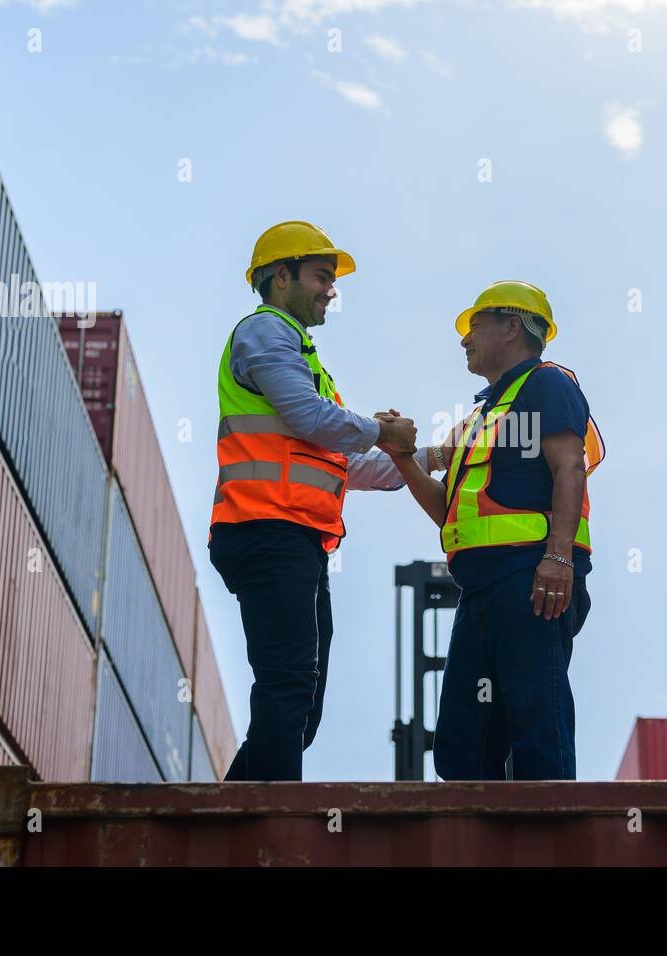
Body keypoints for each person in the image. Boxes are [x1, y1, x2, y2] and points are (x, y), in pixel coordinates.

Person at [208, 220, 443, 781]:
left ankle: (230, 816)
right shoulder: (266, 332)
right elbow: (315, 420)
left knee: (300, 706)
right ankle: (268, 827)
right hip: (265, 530)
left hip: (294, 539)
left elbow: (349, 463)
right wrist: (383, 432)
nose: (331, 290)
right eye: (321, 276)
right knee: (289, 684)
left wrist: (429, 456)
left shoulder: (304, 360)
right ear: (280, 276)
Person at [384, 280, 605, 780]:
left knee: (537, 723)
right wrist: (401, 459)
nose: (464, 339)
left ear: (511, 327)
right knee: (463, 745)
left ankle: (548, 844)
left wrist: (559, 557)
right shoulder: (481, 417)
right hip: (480, 589)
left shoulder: (549, 384)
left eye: (474, 326)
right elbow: (448, 510)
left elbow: (569, 467)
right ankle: (477, 851)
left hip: (532, 578)